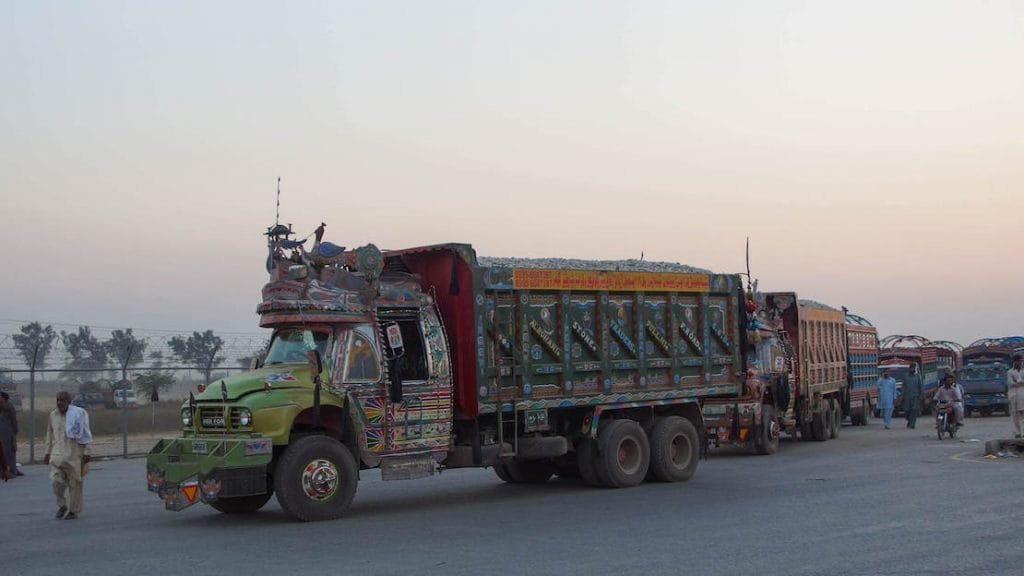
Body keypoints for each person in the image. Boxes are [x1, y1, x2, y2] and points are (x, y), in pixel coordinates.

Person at [44, 391, 92, 520]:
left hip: (74, 455)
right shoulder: (53, 415)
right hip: (57, 456)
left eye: (63, 400)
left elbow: (86, 433)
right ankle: (62, 505)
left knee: (75, 485)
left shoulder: (78, 414)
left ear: (69, 402)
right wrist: (47, 452)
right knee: (56, 482)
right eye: (58, 400)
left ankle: (73, 511)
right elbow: (49, 434)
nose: (60, 403)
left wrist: (87, 452)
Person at [0, 392, 18, 477]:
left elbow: (14, 420)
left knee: (9, 452)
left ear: (4, 398)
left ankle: (12, 471)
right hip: (3, 434)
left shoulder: (8, 407)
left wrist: (14, 431)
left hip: (7, 434)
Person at [902, 364, 923, 429]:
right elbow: (903, 386)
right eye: (911, 368)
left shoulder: (917, 377)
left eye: (913, 368)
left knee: (914, 410)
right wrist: (902, 395)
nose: (912, 369)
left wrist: (921, 395)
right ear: (909, 369)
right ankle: (909, 421)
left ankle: (912, 424)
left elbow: (920, 387)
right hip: (907, 396)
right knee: (907, 411)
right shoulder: (906, 376)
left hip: (915, 396)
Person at [1008, 354, 1024, 438]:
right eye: (1019, 361)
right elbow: (1010, 383)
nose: (1020, 362)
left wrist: (1017, 382)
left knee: (1022, 413)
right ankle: (1017, 433)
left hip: (1022, 395)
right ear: (1015, 362)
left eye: (1021, 361)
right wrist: (1020, 382)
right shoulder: (1010, 372)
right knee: (1015, 415)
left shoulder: (1023, 371)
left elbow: (1015, 382)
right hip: (1013, 395)